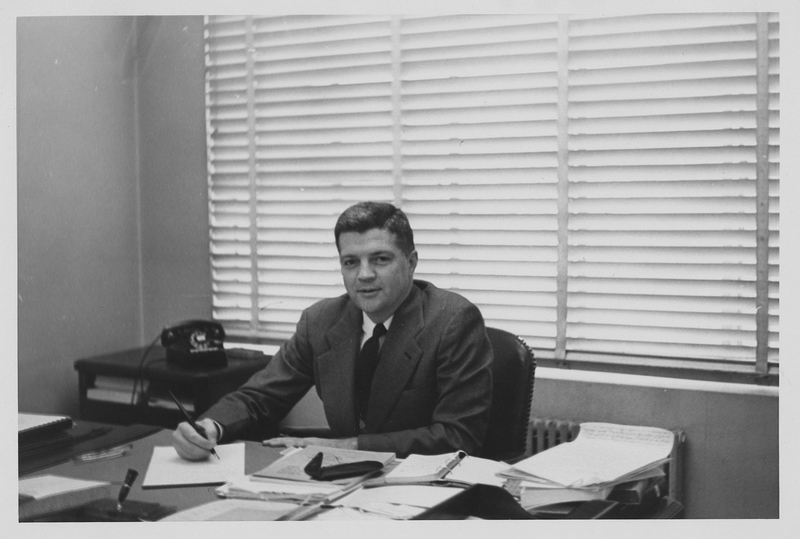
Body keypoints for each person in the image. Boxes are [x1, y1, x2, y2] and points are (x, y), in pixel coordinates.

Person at [172, 201, 493, 460]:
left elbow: (458, 437)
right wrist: (210, 427)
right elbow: (260, 397)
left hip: (422, 487)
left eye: (380, 259)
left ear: (411, 262)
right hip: (343, 481)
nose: (364, 275)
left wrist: (347, 447)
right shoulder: (321, 320)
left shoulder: (452, 320)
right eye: (350, 262)